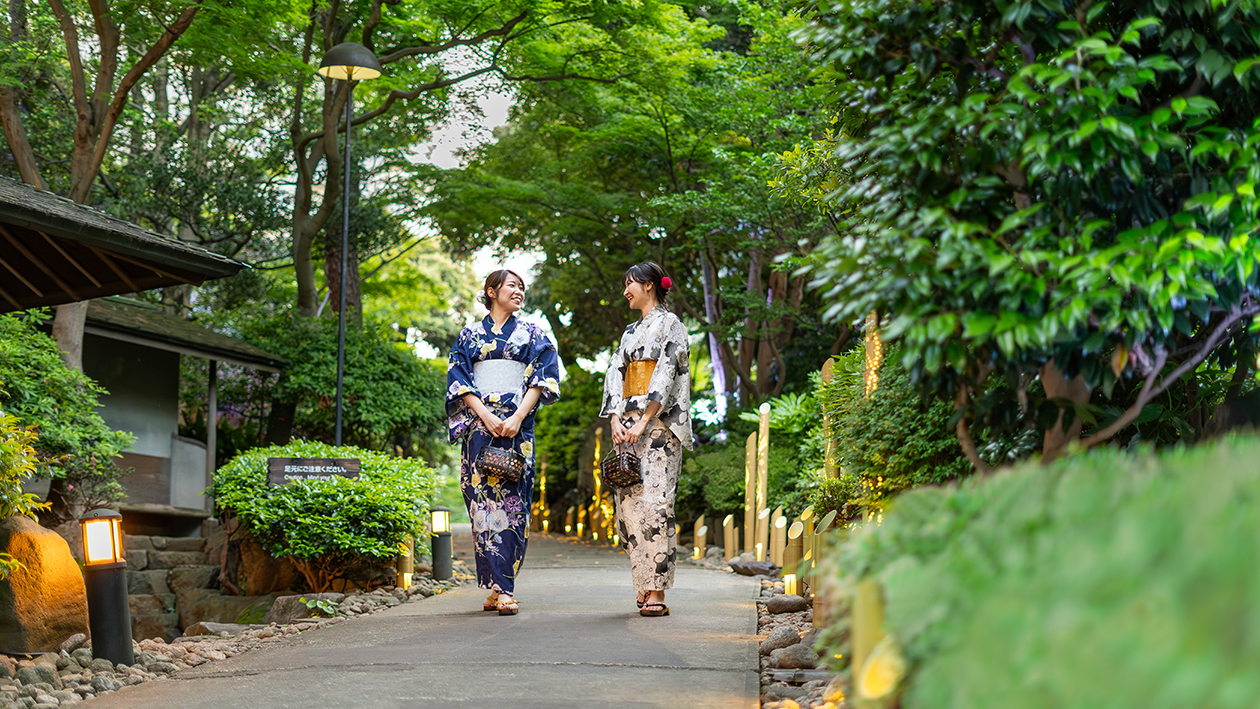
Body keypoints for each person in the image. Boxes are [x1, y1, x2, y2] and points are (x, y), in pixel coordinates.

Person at [447, 269, 561, 615]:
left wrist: (516, 417)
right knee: (481, 507)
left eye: (522, 287)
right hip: (480, 428)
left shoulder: (533, 333)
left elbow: (544, 378)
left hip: (516, 428)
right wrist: (486, 416)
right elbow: (458, 379)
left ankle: (504, 586)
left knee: (513, 505)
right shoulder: (469, 334)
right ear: (491, 291)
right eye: (512, 285)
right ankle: (497, 588)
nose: (519, 291)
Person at [600, 262, 693, 617]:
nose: (626, 291)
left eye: (631, 284)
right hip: (627, 424)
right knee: (630, 507)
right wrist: (614, 417)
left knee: (656, 504)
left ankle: (657, 590)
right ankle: (642, 580)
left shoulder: (671, 324)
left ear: (650, 285)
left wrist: (644, 419)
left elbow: (668, 371)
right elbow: (615, 372)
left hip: (659, 427)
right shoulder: (629, 332)